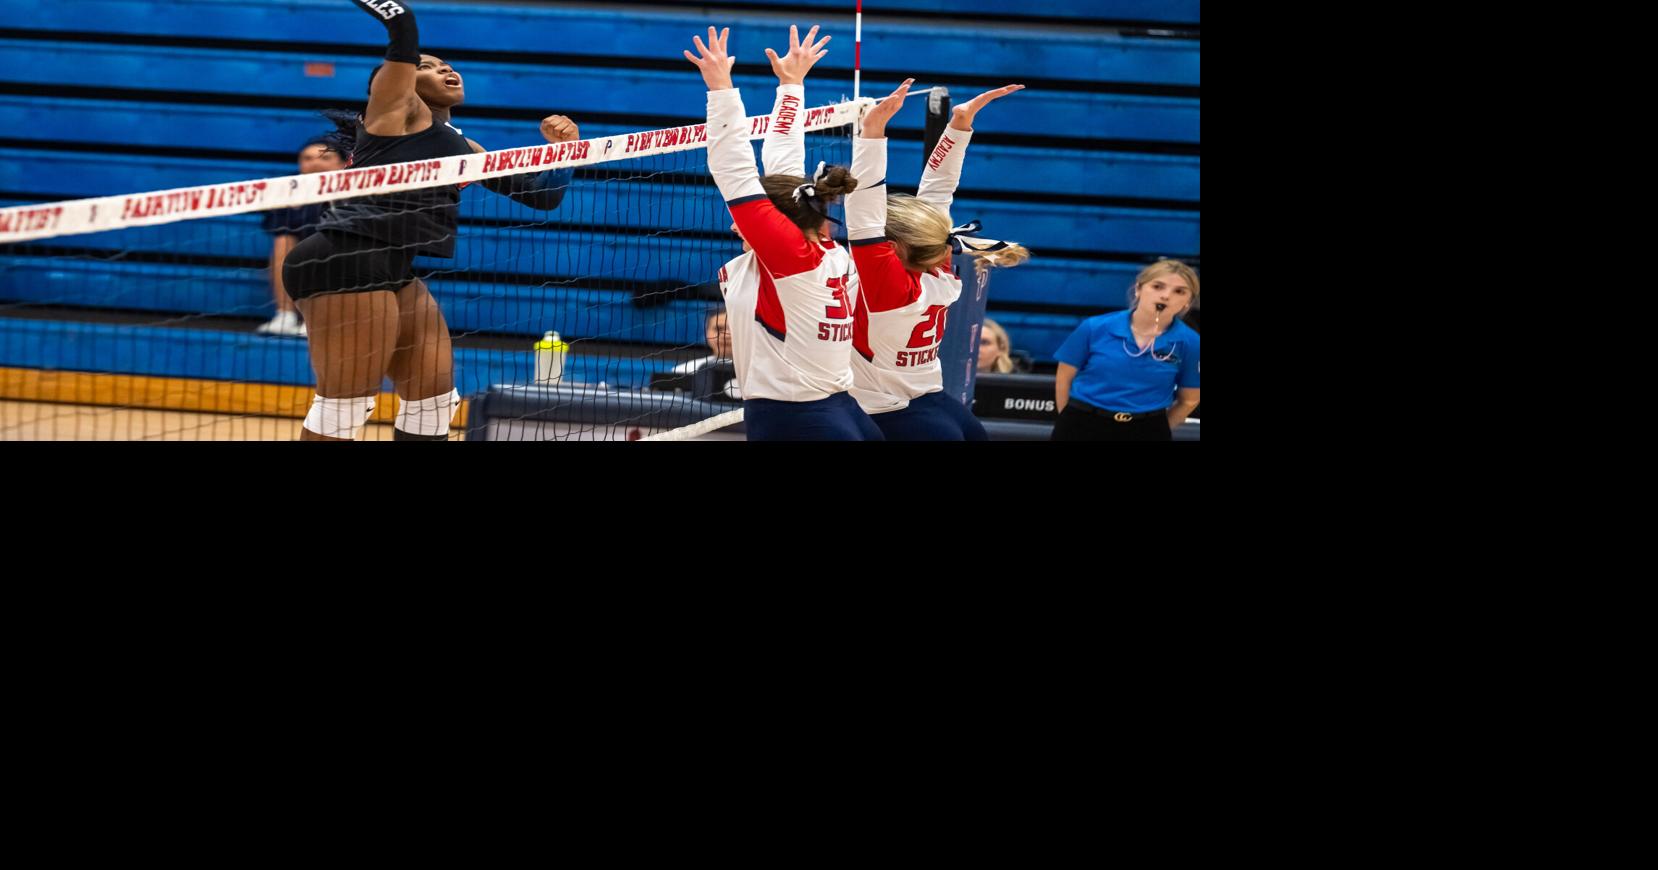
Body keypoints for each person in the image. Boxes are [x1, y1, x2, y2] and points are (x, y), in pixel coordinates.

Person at [281, 0, 579, 441]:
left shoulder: (465, 146)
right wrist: (396, 15)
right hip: (346, 255)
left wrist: (565, 152)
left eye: (447, 65)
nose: (445, 69)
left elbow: (542, 196)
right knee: (345, 407)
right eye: (428, 67)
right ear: (402, 80)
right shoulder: (394, 112)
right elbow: (401, 31)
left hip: (394, 265)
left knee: (434, 399)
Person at [687, 24, 880, 440]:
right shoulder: (827, 249)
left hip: (798, 420)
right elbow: (786, 171)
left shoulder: (791, 258)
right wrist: (791, 85)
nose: (734, 221)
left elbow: (733, 170)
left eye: (747, 217)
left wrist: (720, 87)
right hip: (838, 410)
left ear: (776, 225)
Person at [844, 79, 1030, 440]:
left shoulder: (889, 289)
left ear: (892, 247)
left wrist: (872, 131)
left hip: (892, 413)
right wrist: (960, 123)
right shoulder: (939, 265)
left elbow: (865, 208)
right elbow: (937, 190)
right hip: (934, 400)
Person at [1051, 259, 1201, 442]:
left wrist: (1157, 430)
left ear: (1187, 302)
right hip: (1082, 423)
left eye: (1179, 291)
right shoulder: (1094, 327)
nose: (1166, 296)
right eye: (1157, 286)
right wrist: (1068, 420)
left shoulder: (1191, 342)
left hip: (1146, 428)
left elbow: (1190, 399)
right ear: (1138, 289)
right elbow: (1064, 378)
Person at [256, 137, 348, 336]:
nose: (315, 163)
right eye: (307, 158)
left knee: (328, 243)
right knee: (283, 242)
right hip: (304, 253)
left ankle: (319, 317)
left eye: (325, 158)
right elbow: (279, 227)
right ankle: (285, 316)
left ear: (342, 164)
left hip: (348, 255)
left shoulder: (358, 188)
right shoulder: (288, 189)